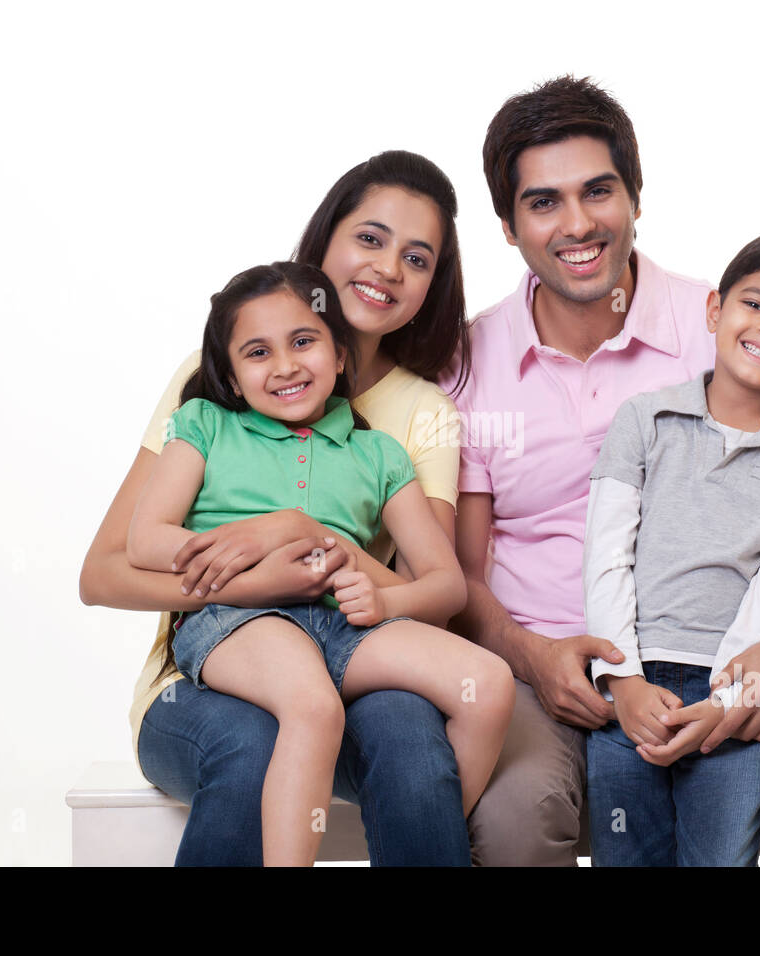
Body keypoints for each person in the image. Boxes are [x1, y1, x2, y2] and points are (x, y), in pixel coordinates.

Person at [446, 76, 760, 866]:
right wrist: (532, 655)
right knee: (514, 813)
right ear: (507, 226)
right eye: (543, 202)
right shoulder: (467, 365)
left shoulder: (744, 321)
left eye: (599, 191)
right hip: (552, 680)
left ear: (636, 197)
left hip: (732, 662)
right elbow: (461, 576)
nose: (577, 224)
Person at [80, 151, 480, 866]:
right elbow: (105, 573)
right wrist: (266, 560)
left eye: (416, 258)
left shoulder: (421, 416)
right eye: (369, 238)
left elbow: (433, 595)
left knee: (415, 742)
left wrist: (325, 548)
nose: (388, 268)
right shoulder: (212, 393)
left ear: (433, 282)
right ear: (325, 241)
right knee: (251, 741)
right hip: (212, 670)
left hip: (349, 650)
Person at [583, 231, 760, 866]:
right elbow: (606, 557)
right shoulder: (643, 420)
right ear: (715, 310)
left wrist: (726, 705)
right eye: (753, 304)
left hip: (737, 698)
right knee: (627, 856)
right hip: (633, 684)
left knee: (720, 858)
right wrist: (622, 679)